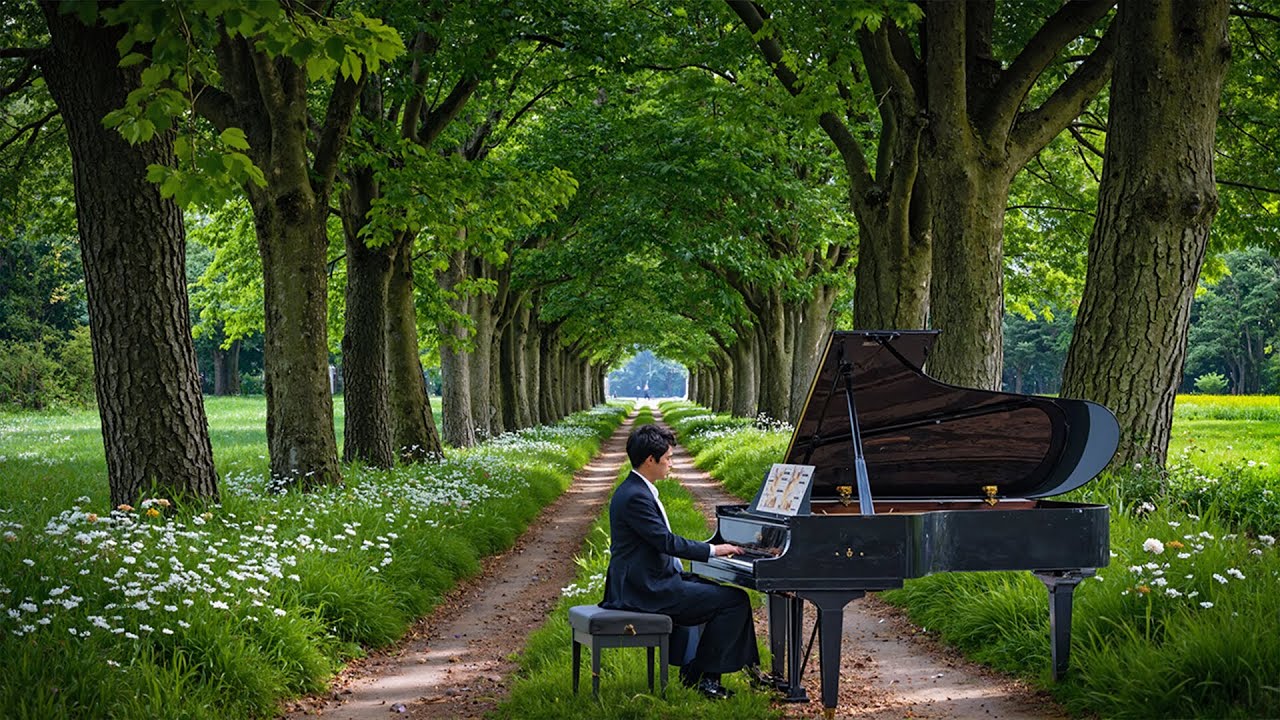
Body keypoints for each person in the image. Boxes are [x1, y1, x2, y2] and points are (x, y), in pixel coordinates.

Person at [599, 424, 760, 700]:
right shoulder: (635, 496)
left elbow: (663, 545)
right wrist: (714, 550)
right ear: (651, 459)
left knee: (719, 594)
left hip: (651, 580)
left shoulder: (636, 489)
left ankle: (699, 670)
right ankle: (703, 678)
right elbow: (667, 542)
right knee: (733, 601)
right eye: (668, 458)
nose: (671, 464)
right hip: (644, 590)